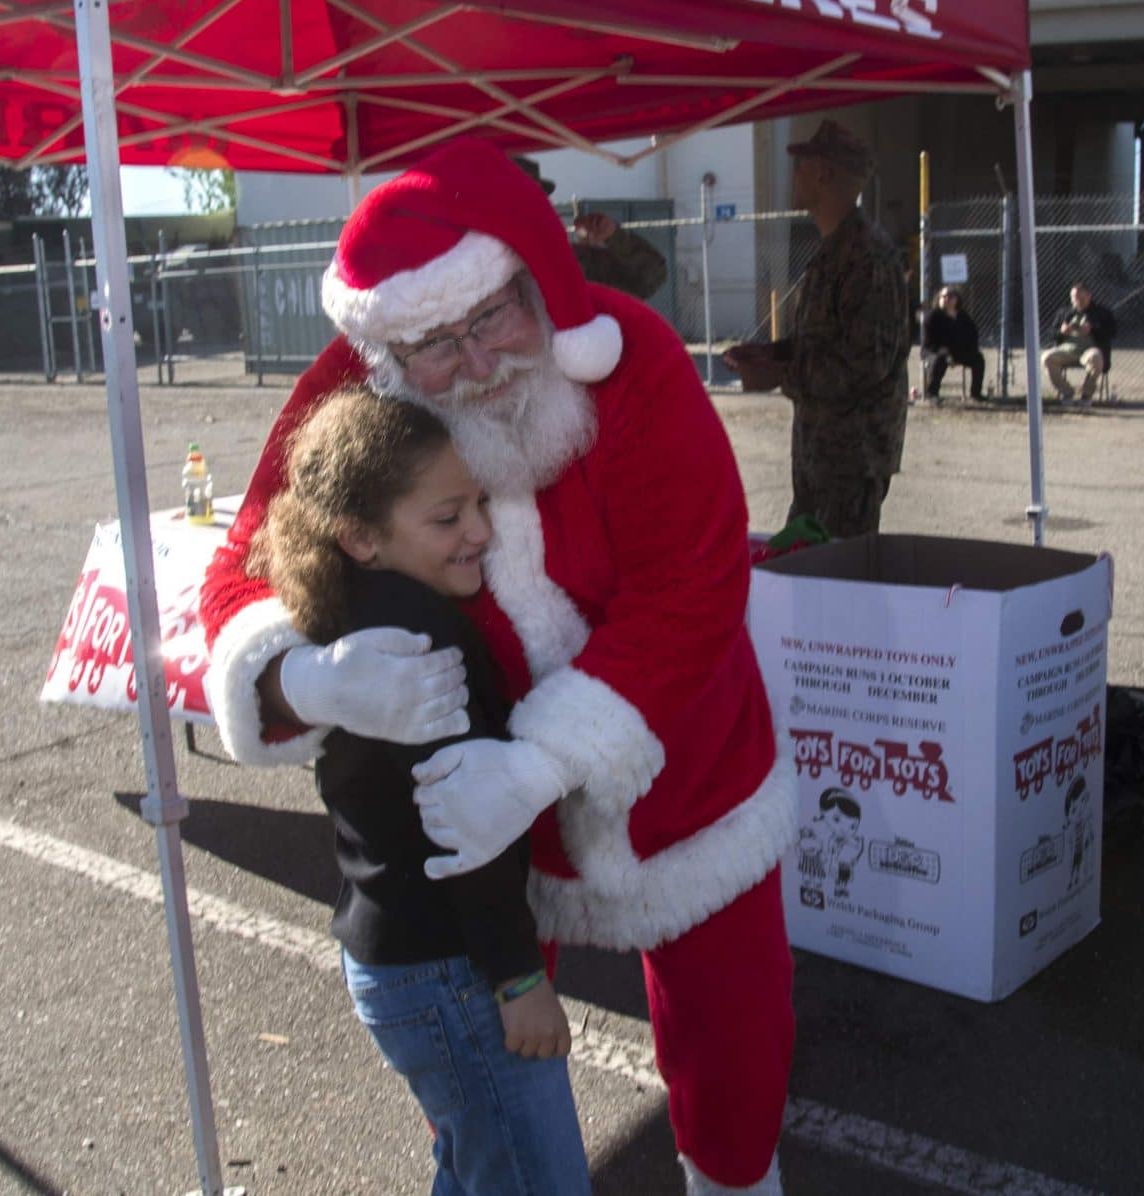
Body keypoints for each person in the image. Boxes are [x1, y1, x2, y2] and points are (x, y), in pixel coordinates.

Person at [199, 137, 796, 1196]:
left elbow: (694, 583)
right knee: (490, 1083)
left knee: (733, 1044)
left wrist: (548, 757)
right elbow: (243, 564)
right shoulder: (358, 381)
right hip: (483, 819)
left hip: (684, 765)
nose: (472, 363)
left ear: (533, 280)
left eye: (489, 318)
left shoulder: (631, 356)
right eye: (432, 345)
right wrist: (306, 681)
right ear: (386, 349)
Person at [246, 387, 590, 1195]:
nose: (479, 531)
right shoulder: (417, 637)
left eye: (479, 504)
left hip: (401, 960)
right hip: (450, 971)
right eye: (447, 519)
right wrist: (516, 977)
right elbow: (458, 818)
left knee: (477, 1165)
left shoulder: (360, 605)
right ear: (361, 536)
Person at [721, 120, 910, 537]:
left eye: (802, 167)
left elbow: (864, 365)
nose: (796, 177)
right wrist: (774, 353)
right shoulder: (837, 250)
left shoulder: (868, 257)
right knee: (806, 565)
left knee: (835, 581)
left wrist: (778, 374)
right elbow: (824, 343)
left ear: (824, 173)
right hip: (822, 451)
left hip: (850, 458)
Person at [514, 155, 668, 300]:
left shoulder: (570, 262)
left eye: (538, 198)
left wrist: (614, 236)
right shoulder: (494, 269)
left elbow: (650, 278)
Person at [1041, 283, 1116, 402]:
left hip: (1089, 350)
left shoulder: (1102, 313)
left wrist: (1093, 329)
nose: (1077, 301)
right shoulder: (1064, 313)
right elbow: (1050, 334)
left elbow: (1112, 332)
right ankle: (1066, 392)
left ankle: (1086, 394)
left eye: (1081, 298)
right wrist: (1062, 332)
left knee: (1095, 356)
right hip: (1067, 351)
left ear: (1089, 296)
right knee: (1046, 358)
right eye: (1074, 298)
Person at [921, 285, 984, 403]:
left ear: (957, 299)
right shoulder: (932, 316)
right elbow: (929, 343)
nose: (946, 299)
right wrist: (943, 351)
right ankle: (932, 394)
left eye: (950, 296)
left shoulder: (963, 317)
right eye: (943, 296)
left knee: (978, 359)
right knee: (939, 360)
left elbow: (972, 336)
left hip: (957, 351)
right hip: (934, 351)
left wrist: (969, 350)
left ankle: (976, 393)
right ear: (938, 299)